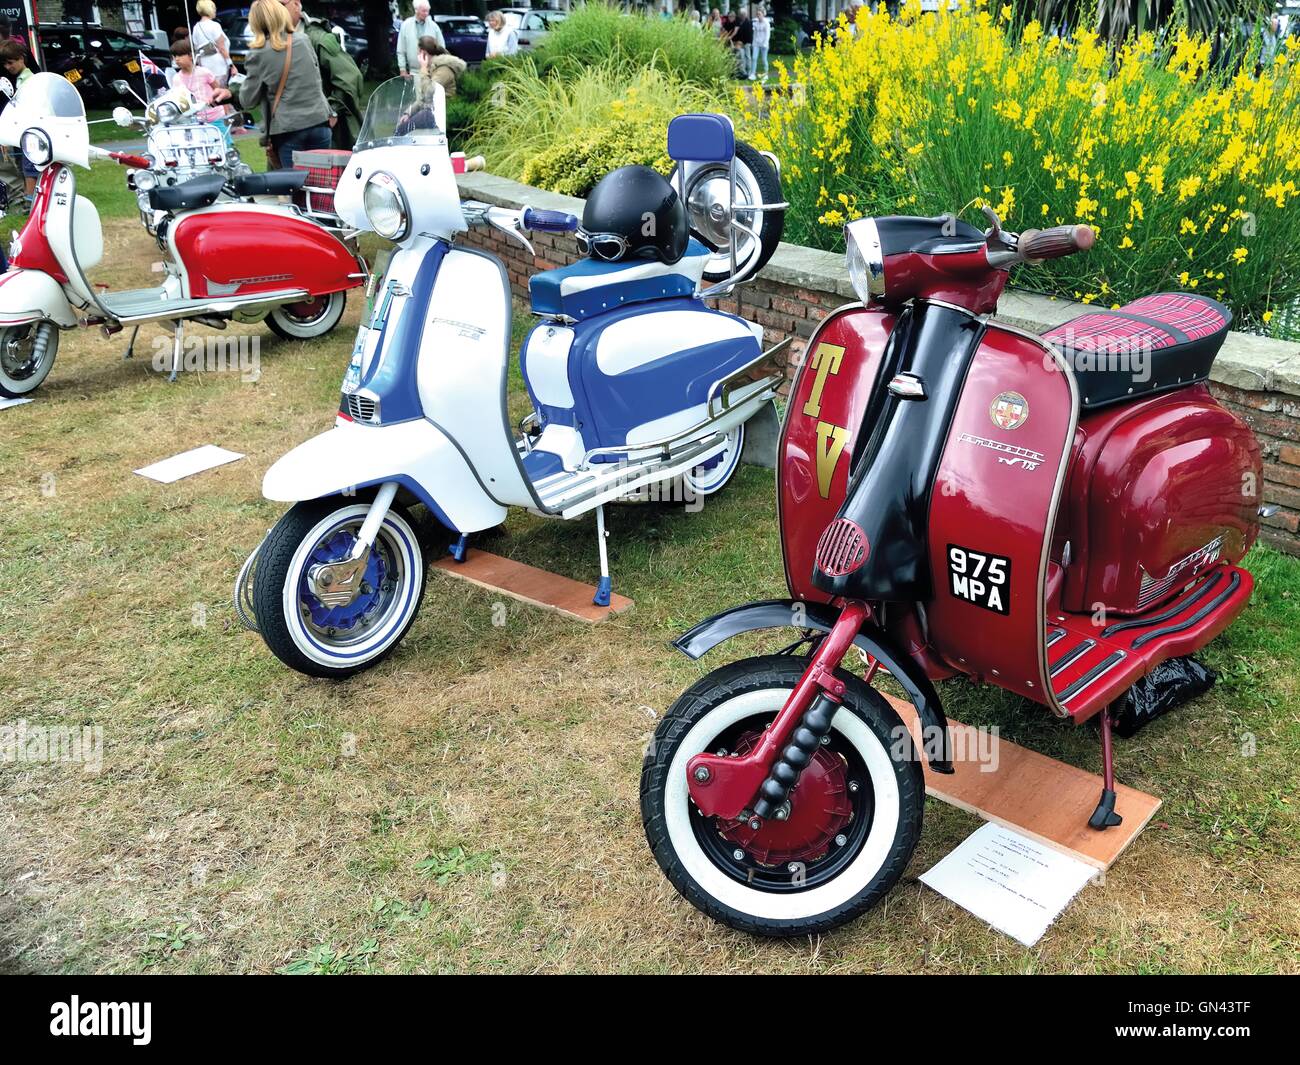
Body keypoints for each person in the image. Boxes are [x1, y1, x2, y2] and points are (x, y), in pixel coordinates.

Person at [239, 0, 331, 167]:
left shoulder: (258, 53)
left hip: (289, 128)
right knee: (322, 181)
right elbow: (315, 78)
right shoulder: (303, 40)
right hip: (319, 121)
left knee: (295, 182)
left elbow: (248, 100)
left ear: (256, 23)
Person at [279, 0, 364, 151]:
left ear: (296, 4)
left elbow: (349, 78)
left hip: (321, 133)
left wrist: (332, 111)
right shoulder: (273, 39)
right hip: (286, 132)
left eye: (281, 4)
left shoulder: (318, 38)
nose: (275, 9)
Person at [0, 41, 35, 203]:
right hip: (22, 131)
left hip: (30, 131)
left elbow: (25, 109)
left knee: (30, 168)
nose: (7, 67)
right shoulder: (20, 79)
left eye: (10, 62)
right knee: (24, 165)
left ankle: (30, 202)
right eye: (5, 64)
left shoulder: (28, 80)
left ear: (21, 58)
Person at [170, 38, 233, 123]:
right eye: (174, 56)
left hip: (216, 116)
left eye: (180, 55)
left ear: (190, 55)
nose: (177, 59)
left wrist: (227, 113)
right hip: (195, 119)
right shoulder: (176, 78)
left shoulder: (204, 72)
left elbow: (219, 90)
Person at [190, 1, 236, 86]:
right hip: (219, 67)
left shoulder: (196, 28)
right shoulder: (215, 26)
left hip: (204, 67)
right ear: (209, 9)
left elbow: (196, 49)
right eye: (214, 8)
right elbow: (222, 48)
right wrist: (231, 65)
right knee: (220, 91)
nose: (215, 10)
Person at [396, 2, 445, 78]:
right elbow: (401, 49)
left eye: (428, 11)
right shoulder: (405, 25)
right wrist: (402, 69)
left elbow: (442, 48)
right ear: (416, 10)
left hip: (432, 71)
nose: (426, 13)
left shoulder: (434, 26)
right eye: (424, 11)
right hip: (413, 72)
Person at [417, 36, 466, 100]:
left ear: (423, 53)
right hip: (433, 104)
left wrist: (423, 69)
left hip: (445, 105)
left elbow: (428, 92)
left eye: (418, 52)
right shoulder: (432, 67)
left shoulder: (444, 69)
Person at [751, 4, 770, 81]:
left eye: (759, 14)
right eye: (757, 14)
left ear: (763, 14)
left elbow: (767, 34)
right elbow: (755, 34)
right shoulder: (755, 23)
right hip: (756, 43)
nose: (758, 15)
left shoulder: (766, 23)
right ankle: (753, 74)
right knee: (754, 58)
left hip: (764, 44)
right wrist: (753, 43)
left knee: (764, 59)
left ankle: (766, 74)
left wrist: (765, 43)